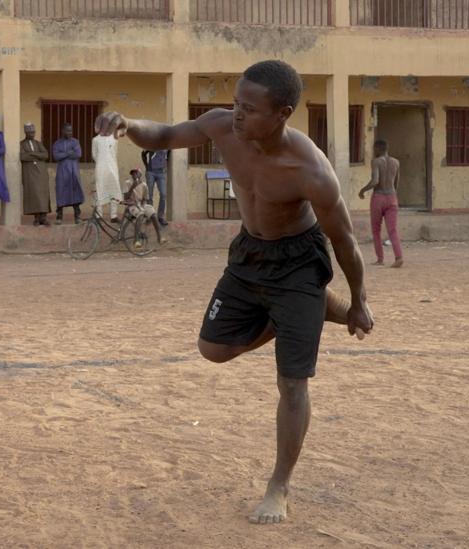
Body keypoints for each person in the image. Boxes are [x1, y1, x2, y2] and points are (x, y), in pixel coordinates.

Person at [94, 59, 373, 526]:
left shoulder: (310, 170)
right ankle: (311, 309)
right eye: (236, 103)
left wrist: (360, 299)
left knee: (291, 381)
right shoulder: (224, 128)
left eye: (249, 108)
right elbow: (163, 135)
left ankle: (279, 484)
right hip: (249, 255)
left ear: (282, 113)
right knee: (213, 348)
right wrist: (127, 124)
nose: (237, 114)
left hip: (300, 261)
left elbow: (344, 239)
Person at [358, 139, 403, 268]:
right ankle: (398, 257)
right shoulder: (396, 162)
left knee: (376, 230)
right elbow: (396, 182)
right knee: (392, 230)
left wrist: (362, 190)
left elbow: (375, 181)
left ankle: (380, 258)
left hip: (378, 197)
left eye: (374, 148)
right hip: (392, 197)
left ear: (377, 149)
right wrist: (393, 194)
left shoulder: (376, 162)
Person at [52, 122, 85, 224]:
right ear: (63, 131)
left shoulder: (75, 142)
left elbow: (78, 154)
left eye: (71, 130)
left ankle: (77, 216)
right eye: (68, 130)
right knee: (60, 192)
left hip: (73, 171)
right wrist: (69, 153)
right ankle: (59, 217)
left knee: (75, 192)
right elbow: (56, 156)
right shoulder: (57, 143)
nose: (70, 132)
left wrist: (64, 154)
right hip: (62, 171)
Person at [122, 168, 165, 244]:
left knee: (153, 213)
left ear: (140, 175)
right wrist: (132, 187)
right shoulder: (127, 183)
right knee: (140, 215)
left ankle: (160, 237)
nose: (134, 175)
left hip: (141, 204)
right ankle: (136, 240)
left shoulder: (144, 185)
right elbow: (125, 198)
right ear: (131, 175)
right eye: (133, 173)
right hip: (132, 205)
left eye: (136, 173)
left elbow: (145, 199)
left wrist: (142, 206)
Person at [20, 122, 51, 226]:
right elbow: (23, 157)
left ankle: (44, 217)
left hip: (41, 173)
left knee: (43, 194)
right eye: (30, 132)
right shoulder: (21, 144)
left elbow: (45, 155)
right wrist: (37, 156)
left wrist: (31, 154)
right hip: (30, 174)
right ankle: (36, 218)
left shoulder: (38, 143)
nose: (32, 134)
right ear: (26, 132)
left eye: (33, 132)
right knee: (33, 195)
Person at [92, 131, 123, 223]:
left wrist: (109, 162)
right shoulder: (95, 140)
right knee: (99, 189)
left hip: (112, 168)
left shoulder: (114, 139)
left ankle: (114, 216)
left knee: (114, 190)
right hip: (100, 168)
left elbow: (115, 153)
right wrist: (102, 162)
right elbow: (94, 155)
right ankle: (98, 215)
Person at [141, 149, 170, 226]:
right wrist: (147, 166)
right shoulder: (152, 142)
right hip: (151, 173)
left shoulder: (168, 145)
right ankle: (150, 216)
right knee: (149, 195)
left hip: (161, 173)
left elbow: (167, 157)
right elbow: (143, 154)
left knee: (163, 194)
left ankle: (160, 217)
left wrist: (165, 167)